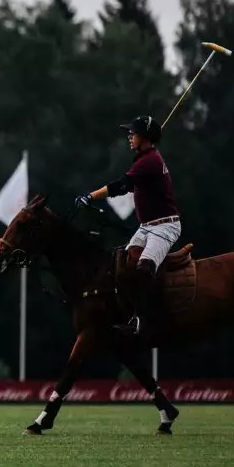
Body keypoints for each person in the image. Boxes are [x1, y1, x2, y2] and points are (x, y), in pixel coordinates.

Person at [74, 115, 181, 339]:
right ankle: (126, 314)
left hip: (165, 227)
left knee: (143, 269)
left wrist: (90, 196)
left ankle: (150, 318)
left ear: (146, 137)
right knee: (121, 266)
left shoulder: (149, 162)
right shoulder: (145, 160)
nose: (129, 137)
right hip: (146, 227)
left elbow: (121, 186)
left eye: (133, 133)